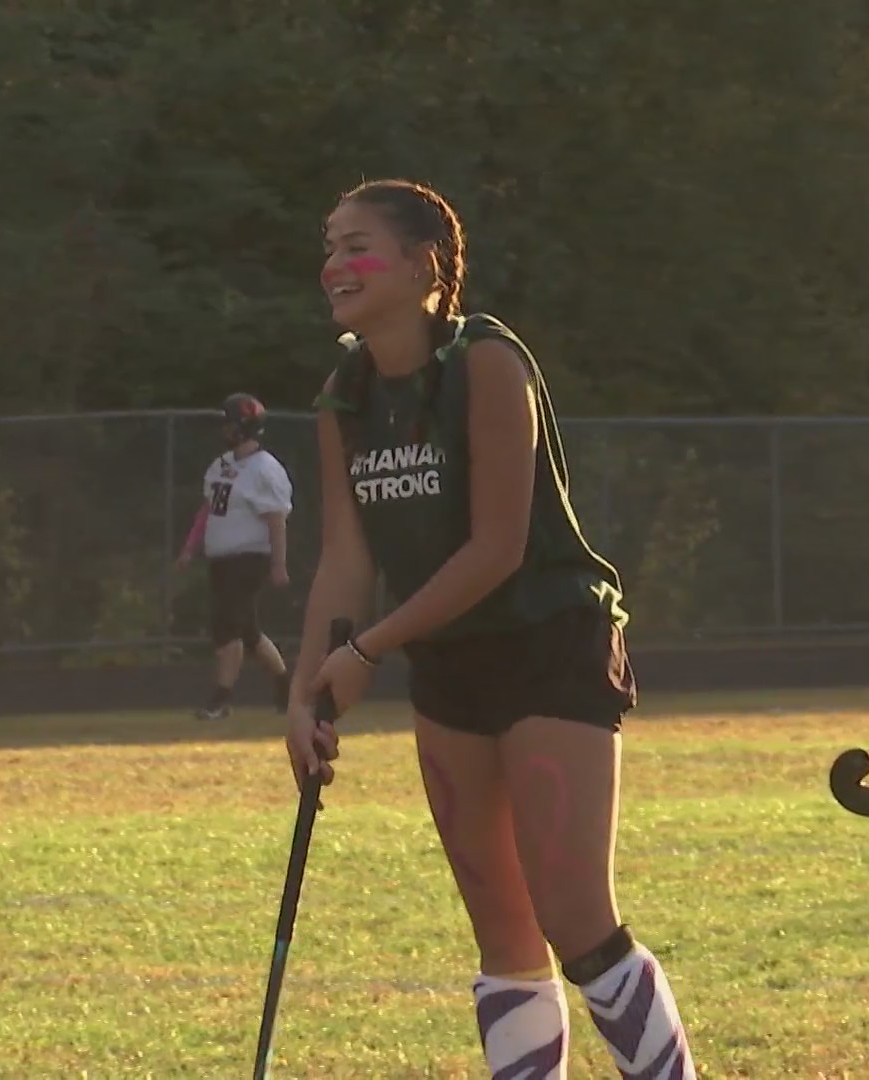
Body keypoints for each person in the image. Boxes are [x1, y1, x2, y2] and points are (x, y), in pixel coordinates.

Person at [285, 178, 696, 1080]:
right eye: (328, 244)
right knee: (502, 935)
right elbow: (344, 559)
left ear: (423, 263)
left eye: (356, 245)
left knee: (576, 921)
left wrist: (365, 650)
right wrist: (304, 690)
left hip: (549, 646)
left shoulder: (486, 363)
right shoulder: (344, 394)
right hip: (448, 666)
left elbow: (497, 549)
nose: (332, 265)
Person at [177, 392, 295, 720]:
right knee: (248, 632)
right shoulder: (221, 465)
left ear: (243, 426)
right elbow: (208, 510)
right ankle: (287, 686)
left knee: (227, 627)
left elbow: (276, 519)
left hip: (249, 558)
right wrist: (190, 547)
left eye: (229, 423)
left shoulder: (265, 469)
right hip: (222, 560)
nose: (224, 430)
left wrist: (278, 564)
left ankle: (221, 699)